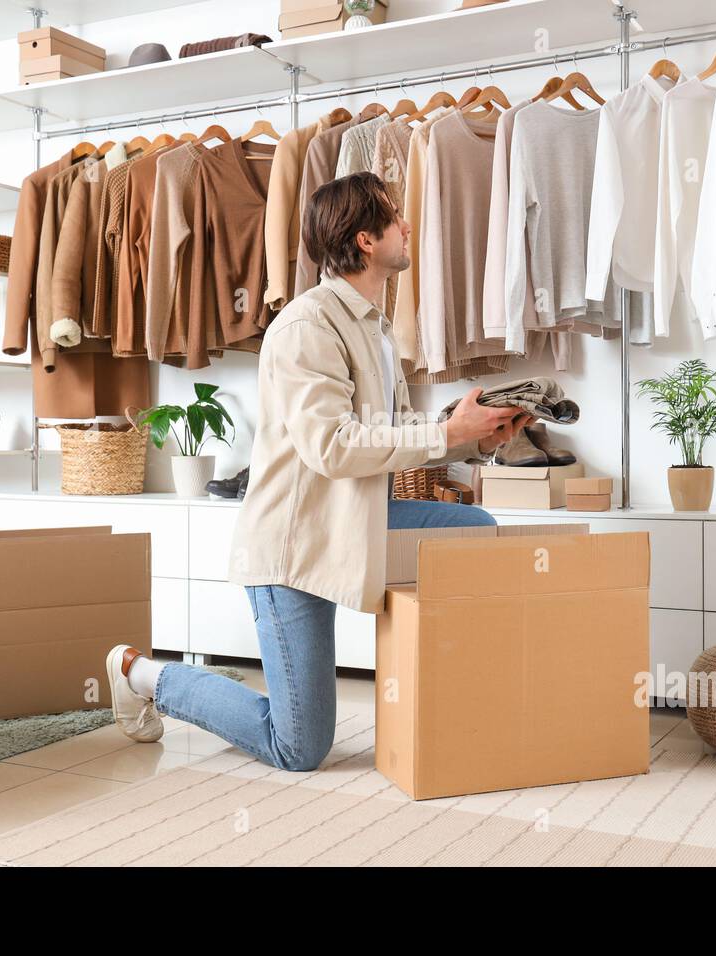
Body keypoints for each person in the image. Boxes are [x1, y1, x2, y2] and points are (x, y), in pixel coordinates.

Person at [104, 171, 532, 771]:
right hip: (294, 545)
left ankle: (459, 701)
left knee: (473, 530)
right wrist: (447, 433)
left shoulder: (376, 328)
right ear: (365, 240)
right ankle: (142, 674)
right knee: (299, 746)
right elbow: (332, 446)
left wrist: (473, 435)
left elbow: (393, 432)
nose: (408, 226)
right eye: (396, 217)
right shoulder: (308, 326)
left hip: (355, 518)